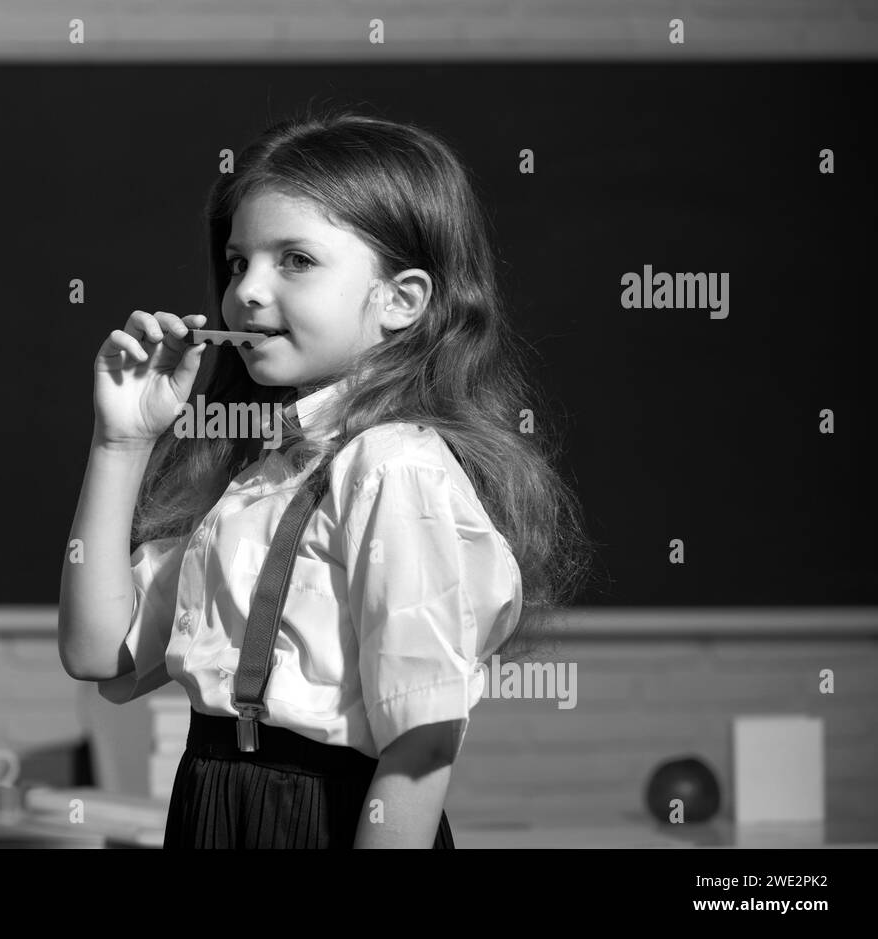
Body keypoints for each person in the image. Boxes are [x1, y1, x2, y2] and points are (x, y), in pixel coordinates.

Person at [59, 106, 593, 849]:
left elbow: (421, 748)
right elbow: (97, 650)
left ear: (401, 299)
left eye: (295, 260)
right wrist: (120, 441)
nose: (245, 290)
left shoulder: (396, 468)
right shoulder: (261, 480)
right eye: (239, 261)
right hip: (214, 810)